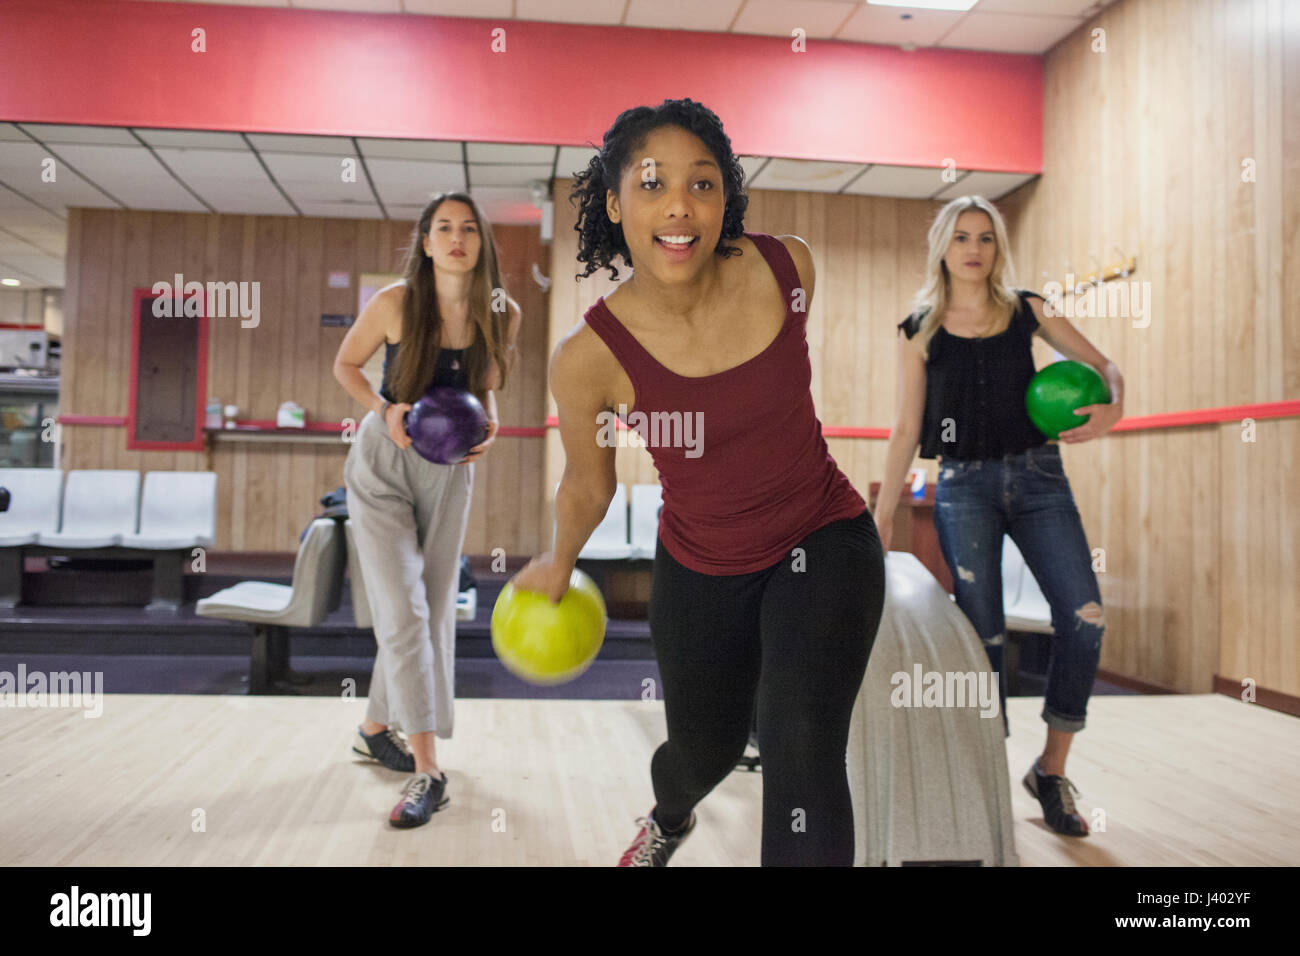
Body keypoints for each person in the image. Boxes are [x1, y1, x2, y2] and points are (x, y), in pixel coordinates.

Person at [509, 99, 885, 866]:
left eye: (703, 184)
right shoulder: (589, 358)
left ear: (726, 199)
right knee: (702, 750)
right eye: (652, 184)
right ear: (615, 204)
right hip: (701, 564)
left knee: (801, 739)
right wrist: (559, 559)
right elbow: (589, 484)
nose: (680, 204)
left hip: (823, 535)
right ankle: (670, 814)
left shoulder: (787, 269)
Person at [874, 195, 1123, 837]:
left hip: (1040, 479)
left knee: (1084, 617)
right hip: (964, 486)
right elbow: (905, 428)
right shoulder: (919, 329)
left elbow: (1105, 368)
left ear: (996, 247)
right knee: (981, 639)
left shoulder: (1026, 310)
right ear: (943, 248)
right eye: (961, 237)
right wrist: (880, 516)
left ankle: (1050, 769)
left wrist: (1111, 409)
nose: (975, 248)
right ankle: (985, 773)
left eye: (985, 237)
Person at [332, 192, 519, 828]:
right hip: (385, 460)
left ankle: (373, 727)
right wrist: (384, 410)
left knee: (430, 608)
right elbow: (347, 364)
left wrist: (491, 426)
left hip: (450, 470)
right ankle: (427, 769)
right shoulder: (393, 303)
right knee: (407, 610)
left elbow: (486, 388)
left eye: (468, 228)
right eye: (444, 228)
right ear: (427, 241)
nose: (456, 237)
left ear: (481, 243)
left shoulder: (502, 312)